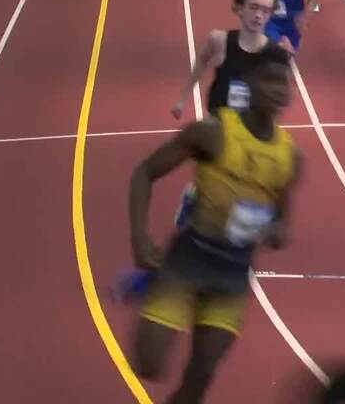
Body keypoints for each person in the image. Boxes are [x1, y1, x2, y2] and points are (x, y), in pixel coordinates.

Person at [129, 41, 302, 404]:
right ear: (249, 84)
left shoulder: (290, 156)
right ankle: (150, 289)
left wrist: (274, 230)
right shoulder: (212, 132)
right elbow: (145, 172)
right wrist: (141, 241)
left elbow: (282, 222)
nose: (276, 89)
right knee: (149, 364)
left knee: (201, 375)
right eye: (268, 80)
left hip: (232, 275)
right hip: (188, 262)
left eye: (283, 83)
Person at [171, 0, 280, 120]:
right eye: (253, 7)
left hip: (252, 125)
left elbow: (276, 95)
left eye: (265, 10)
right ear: (240, 9)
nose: (258, 15)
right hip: (219, 121)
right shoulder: (218, 40)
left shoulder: (274, 52)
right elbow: (202, 62)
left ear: (271, 14)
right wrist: (183, 99)